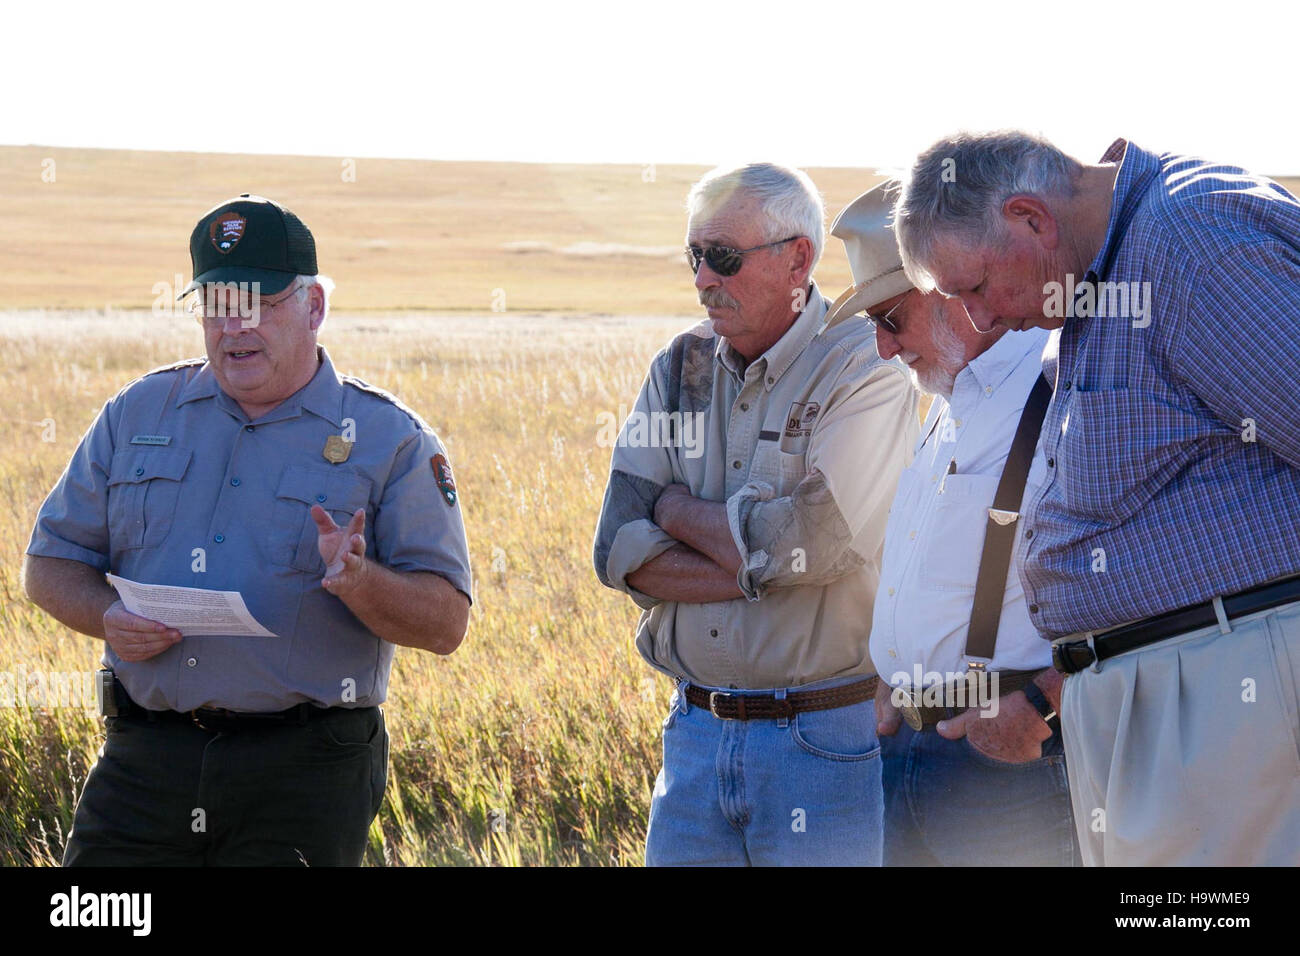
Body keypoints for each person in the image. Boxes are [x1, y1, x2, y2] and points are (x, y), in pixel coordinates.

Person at [22, 194, 473, 866]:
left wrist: (358, 581)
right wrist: (107, 615)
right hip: (144, 760)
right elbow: (49, 564)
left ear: (315, 307)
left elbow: (446, 625)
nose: (235, 328)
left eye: (259, 303)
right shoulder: (139, 412)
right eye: (218, 305)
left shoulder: (390, 440)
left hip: (303, 770)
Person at [893, 131, 1300, 865]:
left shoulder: (1192, 241)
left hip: (1229, 703)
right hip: (1168, 717)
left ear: (1030, 218)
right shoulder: (1092, 276)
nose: (981, 321)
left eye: (975, 290)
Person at [593, 163, 916, 866]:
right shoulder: (678, 369)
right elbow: (616, 546)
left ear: (798, 257)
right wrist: (758, 561)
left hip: (825, 741)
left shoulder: (865, 365)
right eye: (694, 257)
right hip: (694, 734)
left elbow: (817, 543)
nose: (704, 279)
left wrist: (674, 509)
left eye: (724, 258)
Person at [826, 181, 1077, 866]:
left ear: (945, 287)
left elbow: (1141, 580)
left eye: (890, 319)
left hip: (1006, 768)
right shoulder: (943, 398)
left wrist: (1039, 706)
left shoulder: (1057, 386)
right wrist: (892, 676)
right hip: (905, 751)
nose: (882, 348)